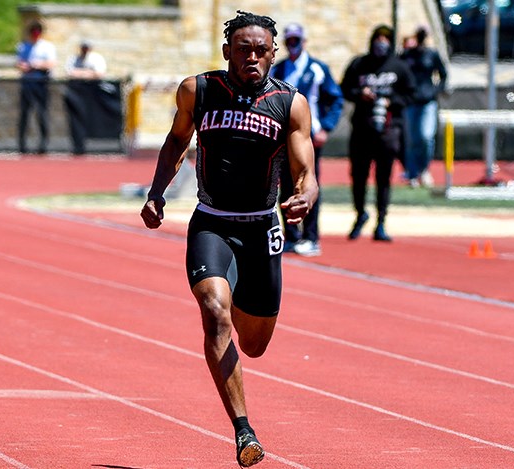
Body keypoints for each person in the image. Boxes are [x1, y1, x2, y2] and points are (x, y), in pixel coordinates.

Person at [140, 11, 317, 467]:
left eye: (261, 50)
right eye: (244, 50)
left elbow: (306, 172)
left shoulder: (290, 104)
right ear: (227, 52)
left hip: (262, 228)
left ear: (274, 53)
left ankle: (241, 301)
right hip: (212, 222)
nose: (252, 58)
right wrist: (157, 193)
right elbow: (177, 142)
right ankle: (244, 431)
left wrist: (305, 195)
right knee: (214, 312)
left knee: (254, 343)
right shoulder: (197, 91)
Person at [270, 22, 343, 257]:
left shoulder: (318, 69)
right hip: (283, 138)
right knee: (286, 188)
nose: (293, 45)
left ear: (303, 41)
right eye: (289, 41)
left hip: (309, 137)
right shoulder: (277, 70)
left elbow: (335, 99)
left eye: (296, 41)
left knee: (308, 184)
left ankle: (311, 236)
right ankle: (291, 236)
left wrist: (326, 128)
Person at [340, 25, 415, 242]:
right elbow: (344, 88)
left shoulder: (399, 67)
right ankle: (360, 213)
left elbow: (411, 93)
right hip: (363, 128)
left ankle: (381, 221)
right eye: (378, 38)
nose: (380, 43)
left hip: (388, 130)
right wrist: (359, 93)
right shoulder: (359, 64)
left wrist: (392, 102)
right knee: (358, 175)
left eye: (385, 39)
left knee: (383, 177)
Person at [400, 26, 447, 188]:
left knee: (426, 136)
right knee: (412, 139)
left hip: (427, 102)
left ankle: (424, 169)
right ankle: (412, 173)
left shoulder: (431, 55)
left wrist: (436, 90)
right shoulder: (407, 56)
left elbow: (443, 74)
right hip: (411, 102)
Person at [15, 20, 56, 154]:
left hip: (41, 82)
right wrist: (25, 66)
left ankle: (43, 144)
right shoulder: (24, 46)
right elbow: (18, 63)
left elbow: (51, 63)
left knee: (42, 113)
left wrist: (36, 65)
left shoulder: (47, 47)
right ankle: (22, 144)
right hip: (27, 82)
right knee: (24, 114)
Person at [63, 40, 108, 155]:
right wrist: (88, 73)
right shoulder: (74, 59)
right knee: (76, 119)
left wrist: (81, 73)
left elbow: (99, 73)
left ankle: (94, 145)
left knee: (90, 117)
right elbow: (69, 72)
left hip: (92, 92)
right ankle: (78, 146)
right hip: (76, 90)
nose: (85, 50)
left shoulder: (96, 58)